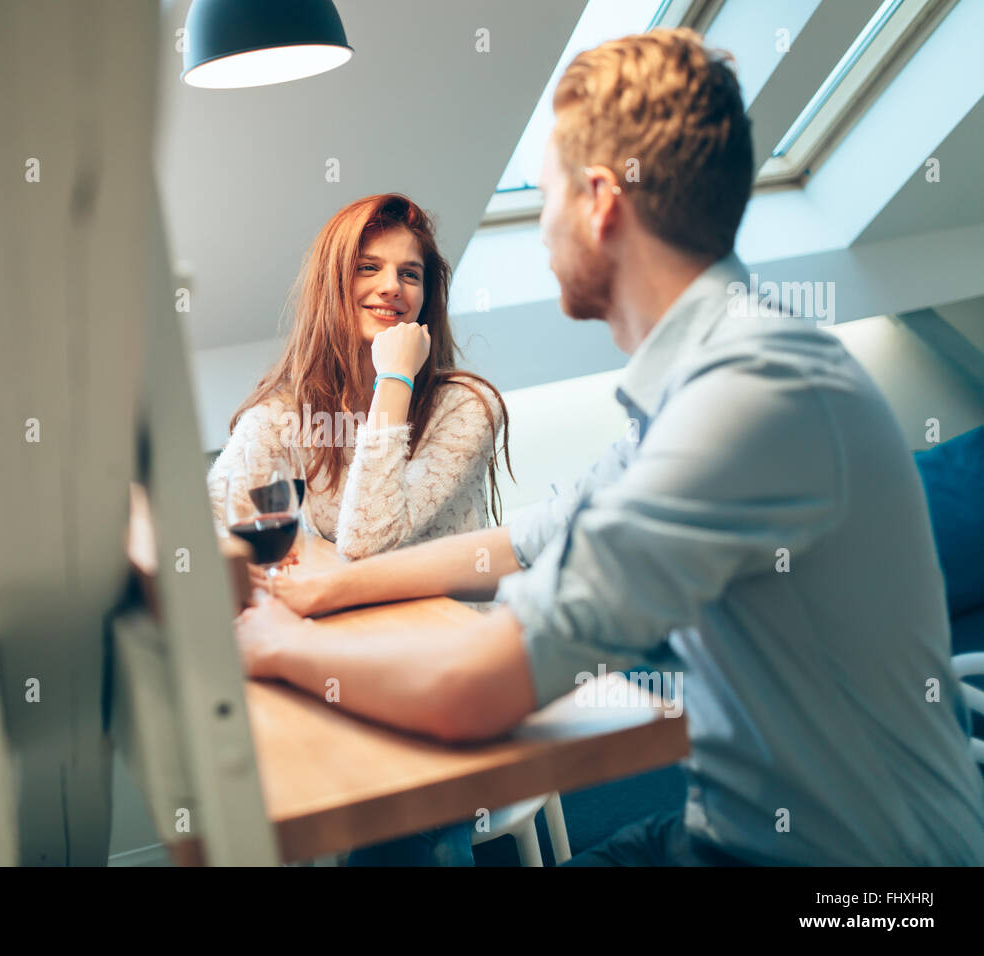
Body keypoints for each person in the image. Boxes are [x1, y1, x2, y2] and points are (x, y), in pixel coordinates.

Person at [235, 28, 984, 866]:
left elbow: (476, 695)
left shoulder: (746, 404)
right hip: (728, 834)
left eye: (547, 197)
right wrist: (331, 592)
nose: (541, 226)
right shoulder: (713, 376)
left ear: (600, 202)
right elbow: (529, 540)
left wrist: (278, 646)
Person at [208, 193, 511, 562]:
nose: (392, 287)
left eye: (409, 274)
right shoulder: (289, 408)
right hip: (348, 614)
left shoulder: (467, 407)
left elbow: (368, 545)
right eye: (368, 267)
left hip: (447, 618)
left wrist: (396, 377)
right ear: (330, 284)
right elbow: (212, 514)